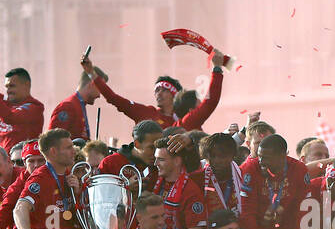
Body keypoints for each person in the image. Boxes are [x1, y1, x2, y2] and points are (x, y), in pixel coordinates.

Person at [84, 51, 227, 131]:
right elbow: (113, 98)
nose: (159, 93)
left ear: (175, 95)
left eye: (164, 90)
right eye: (156, 90)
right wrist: (91, 73)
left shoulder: (185, 121)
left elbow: (209, 103)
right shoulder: (146, 113)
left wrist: (217, 69)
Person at [13, 129, 90, 229]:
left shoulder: (68, 174)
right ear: (54, 152)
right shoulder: (40, 178)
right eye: (68, 148)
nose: (73, 151)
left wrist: (77, 192)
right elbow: (20, 208)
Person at [239, 134, 310, 229]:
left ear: (282, 156)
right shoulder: (250, 169)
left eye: (266, 157)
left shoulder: (299, 170)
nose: (260, 161)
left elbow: (303, 216)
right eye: (259, 156)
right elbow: (247, 214)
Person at [0, 60, 45, 151]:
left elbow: (8, 117)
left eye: (12, 86)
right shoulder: (9, 101)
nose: (8, 90)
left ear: (26, 85)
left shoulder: (34, 107)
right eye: (6, 86)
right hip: (6, 160)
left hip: (22, 161)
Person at [150, 137, 209, 229]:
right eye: (156, 159)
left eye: (161, 159)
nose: (155, 163)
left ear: (177, 161)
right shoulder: (156, 182)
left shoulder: (190, 190)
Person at [98, 119, 163, 192]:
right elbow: (98, 195)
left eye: (159, 147)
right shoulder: (110, 163)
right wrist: (126, 188)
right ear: (137, 144)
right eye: (151, 148)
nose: (156, 153)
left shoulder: (160, 166)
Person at [49, 64, 108, 140]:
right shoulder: (68, 106)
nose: (99, 95)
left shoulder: (79, 105)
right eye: (100, 89)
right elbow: (52, 141)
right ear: (92, 84)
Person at [200, 132, 245, 217]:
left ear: (233, 155)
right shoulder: (199, 179)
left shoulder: (244, 176)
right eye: (213, 156)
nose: (217, 161)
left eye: (222, 156)